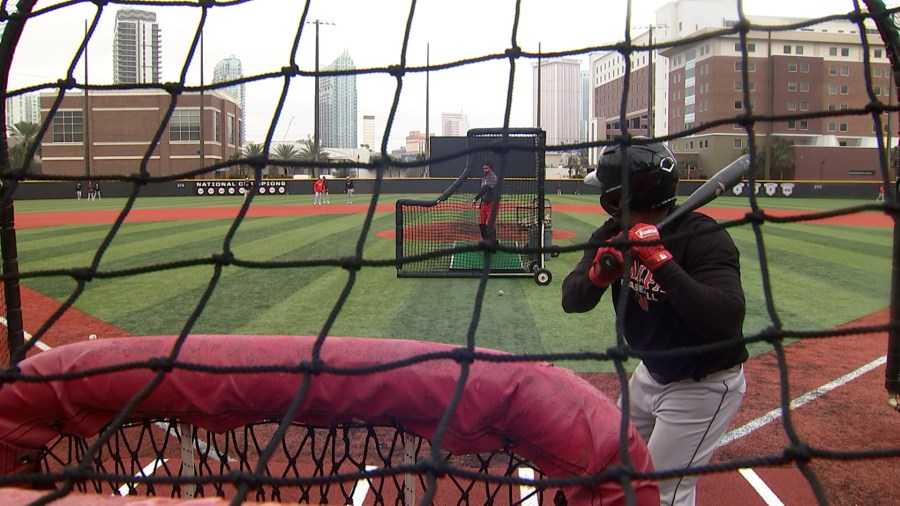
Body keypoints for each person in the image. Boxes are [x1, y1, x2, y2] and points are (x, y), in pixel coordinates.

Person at [561, 141, 748, 506]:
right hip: (649, 373)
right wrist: (598, 277)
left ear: (621, 198)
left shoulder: (704, 238)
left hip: (703, 384)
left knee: (662, 493)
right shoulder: (610, 234)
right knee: (612, 461)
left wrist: (661, 262)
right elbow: (572, 299)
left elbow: (726, 320)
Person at [472, 159, 499, 241]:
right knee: (481, 224)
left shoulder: (493, 177)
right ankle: (486, 240)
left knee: (489, 224)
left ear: (491, 168)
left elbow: (486, 189)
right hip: (484, 203)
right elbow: (483, 192)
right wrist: (480, 203)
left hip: (492, 203)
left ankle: (492, 241)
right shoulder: (484, 178)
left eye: (487, 168)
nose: (485, 170)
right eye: (484, 168)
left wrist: (476, 198)